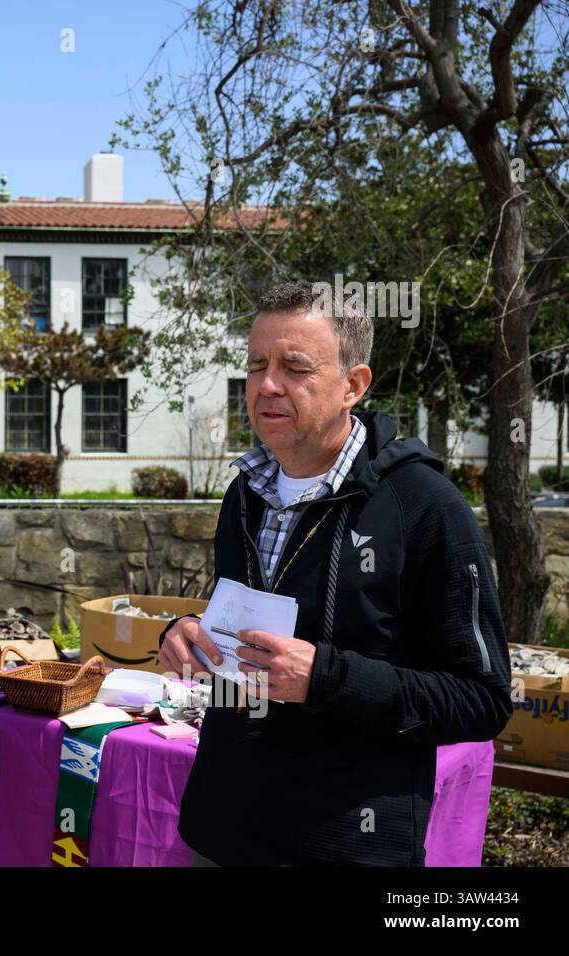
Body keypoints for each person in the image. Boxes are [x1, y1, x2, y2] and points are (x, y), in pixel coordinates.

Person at [157, 280, 513, 866]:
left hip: (344, 846)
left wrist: (324, 677)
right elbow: (247, 624)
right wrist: (187, 633)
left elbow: (482, 698)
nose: (267, 385)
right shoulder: (244, 492)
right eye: (256, 365)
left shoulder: (425, 507)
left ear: (354, 385)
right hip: (217, 832)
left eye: (294, 366)